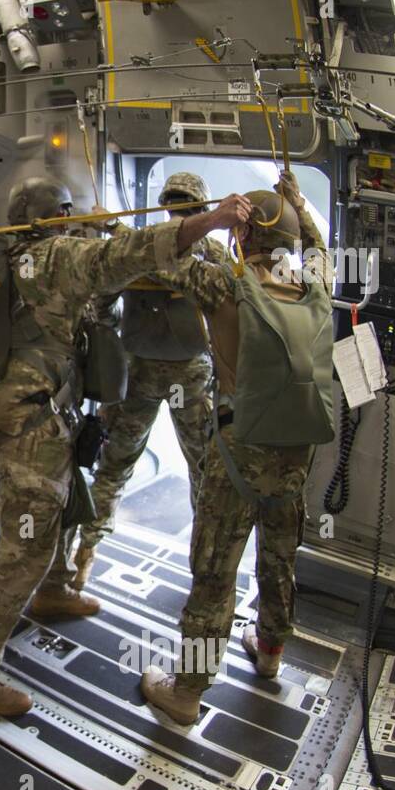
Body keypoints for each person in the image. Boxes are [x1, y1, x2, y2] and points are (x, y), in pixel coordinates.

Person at [0, 175, 253, 717]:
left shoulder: (10, 255)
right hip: (29, 420)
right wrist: (209, 221)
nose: (74, 218)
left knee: (63, 510)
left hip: (33, 410)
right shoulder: (56, 256)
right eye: (68, 211)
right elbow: (124, 254)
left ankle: (57, 586)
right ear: (53, 216)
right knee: (22, 549)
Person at [139, 172, 333, 725]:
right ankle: (270, 652)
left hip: (237, 455)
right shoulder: (316, 282)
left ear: (243, 238)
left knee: (215, 573)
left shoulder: (225, 285)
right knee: (279, 556)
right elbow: (316, 245)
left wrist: (211, 219)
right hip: (295, 456)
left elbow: (165, 256)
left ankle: (187, 690)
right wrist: (296, 203)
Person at [70, 172, 227, 589]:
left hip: (138, 369)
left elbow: (101, 302)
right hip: (187, 373)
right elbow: (226, 295)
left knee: (116, 466)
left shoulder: (136, 246)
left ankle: (86, 552)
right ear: (202, 207)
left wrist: (115, 333)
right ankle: (206, 573)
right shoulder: (209, 248)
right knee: (203, 471)